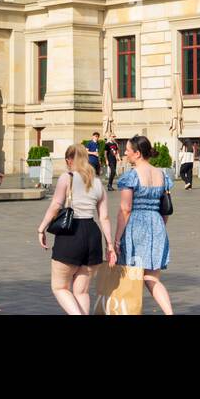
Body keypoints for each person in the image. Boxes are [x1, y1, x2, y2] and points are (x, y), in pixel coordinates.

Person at [37, 144, 115, 314]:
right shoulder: (97, 182)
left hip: (71, 233)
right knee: (82, 292)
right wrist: (110, 245)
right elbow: (104, 217)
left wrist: (41, 228)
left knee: (60, 287)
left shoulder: (67, 177)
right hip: (92, 234)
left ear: (69, 160)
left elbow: (56, 204)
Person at [113, 135, 174, 315]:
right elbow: (165, 209)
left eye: (128, 150)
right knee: (152, 278)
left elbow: (125, 209)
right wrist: (160, 227)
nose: (125, 153)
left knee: (131, 276)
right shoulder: (161, 175)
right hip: (156, 224)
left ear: (137, 153)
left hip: (136, 227)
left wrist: (116, 239)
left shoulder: (131, 176)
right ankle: (169, 313)